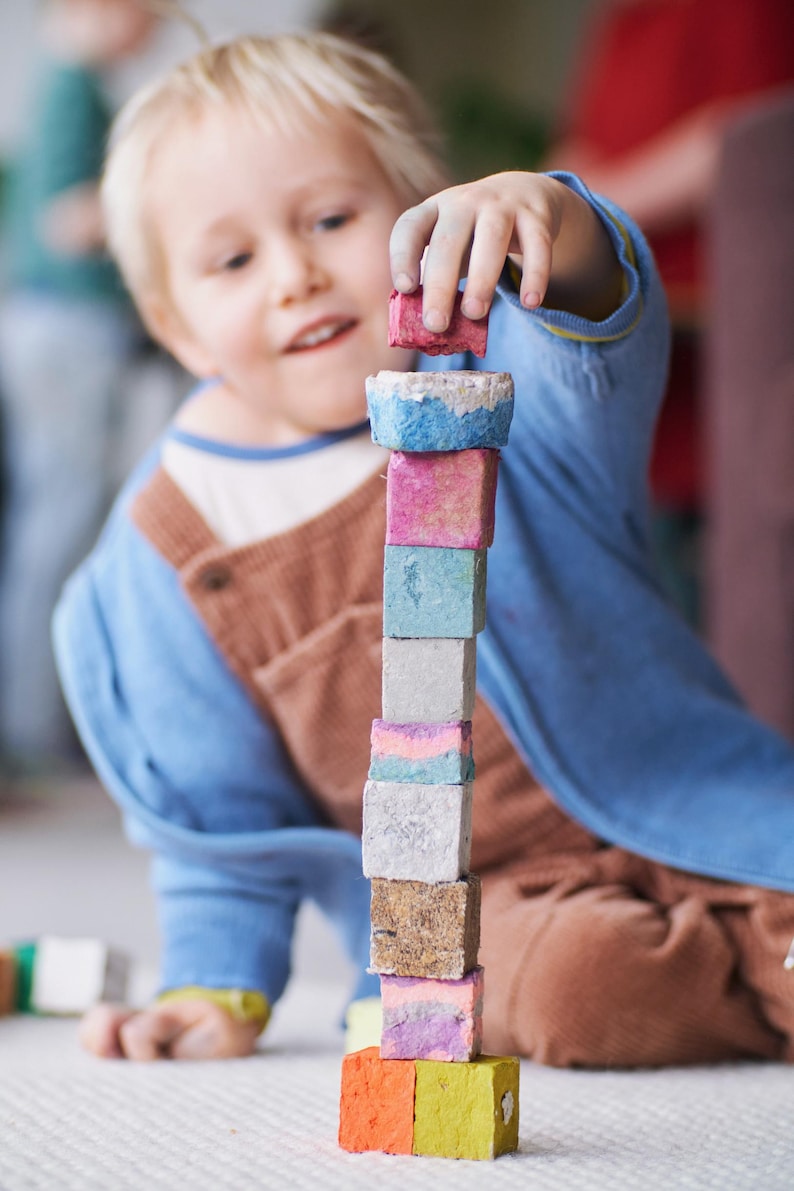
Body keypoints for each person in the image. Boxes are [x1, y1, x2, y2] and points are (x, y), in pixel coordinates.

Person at [52, 32, 794, 1065]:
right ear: (176, 327)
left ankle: (758, 947)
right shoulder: (162, 555)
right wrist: (216, 982)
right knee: (574, 992)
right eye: (233, 259)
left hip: (693, 808)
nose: (295, 275)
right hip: (481, 928)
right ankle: (751, 970)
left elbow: (600, 331)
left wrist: (555, 222)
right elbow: (217, 820)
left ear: (431, 222)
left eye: (330, 219)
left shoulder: (513, 393)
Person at [545, 0, 794, 626]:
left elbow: (746, 138)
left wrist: (591, 204)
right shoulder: (624, 24)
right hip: (632, 352)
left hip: (714, 336)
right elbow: (577, 152)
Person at [0, 0, 159, 769]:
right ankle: (33, 733)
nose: (157, 22)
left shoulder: (80, 82)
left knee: (62, 521)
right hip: (67, 331)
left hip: (61, 329)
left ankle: (41, 727)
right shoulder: (72, 83)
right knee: (58, 527)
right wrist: (157, 186)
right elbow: (68, 220)